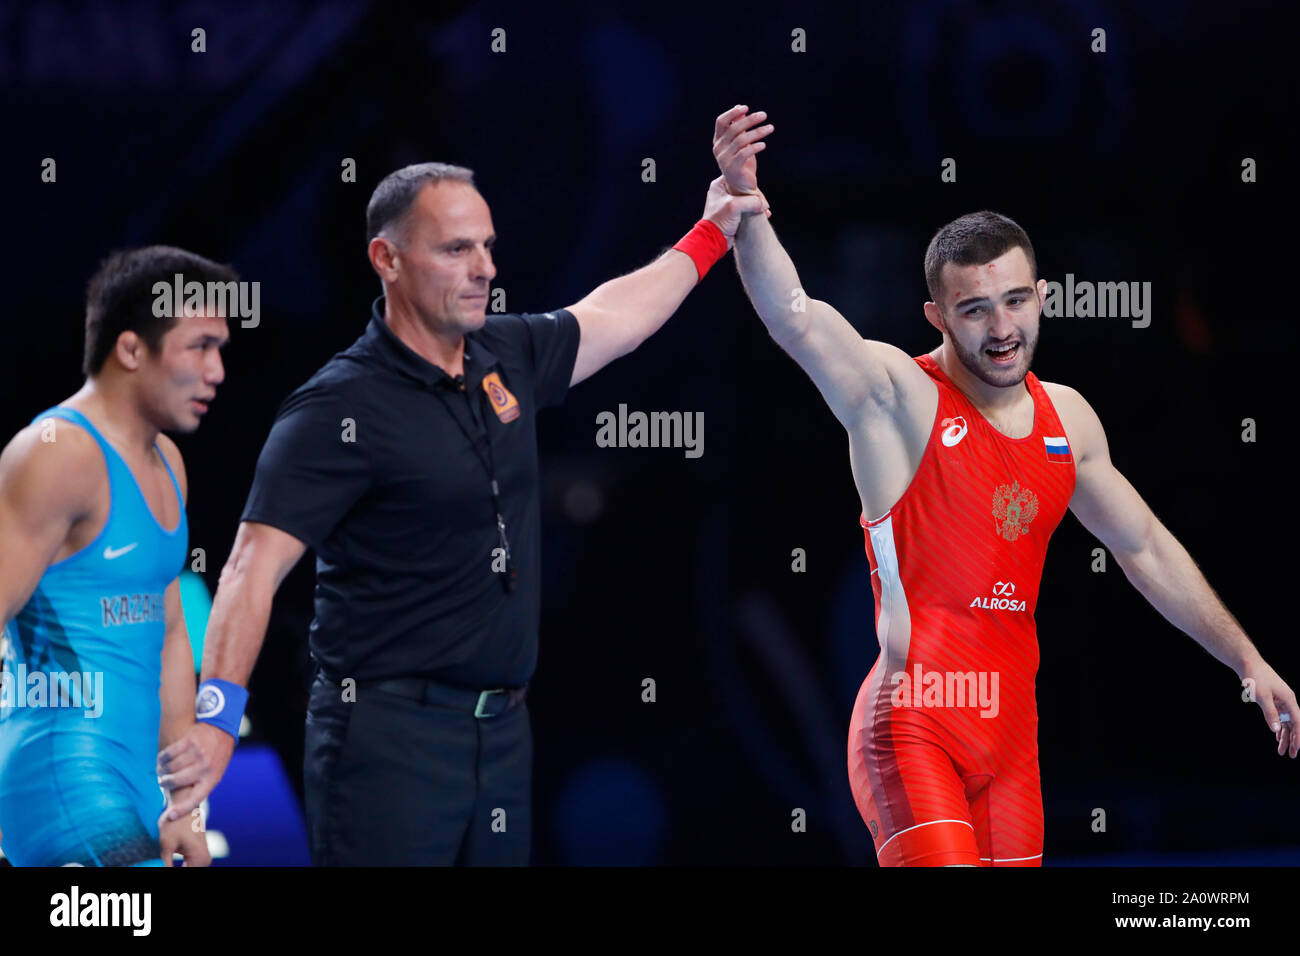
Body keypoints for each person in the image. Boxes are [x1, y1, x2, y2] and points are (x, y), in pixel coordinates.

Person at [712, 104, 1299, 867]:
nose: (1001, 328)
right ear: (937, 315)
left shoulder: (1071, 422)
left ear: (1043, 297)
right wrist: (748, 211)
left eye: (1016, 301)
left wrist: (1247, 659)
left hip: (1011, 744)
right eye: (975, 308)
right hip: (911, 727)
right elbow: (795, 319)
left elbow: (1145, 547)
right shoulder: (897, 396)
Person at [156, 160, 767, 864]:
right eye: (456, 249)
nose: (483, 268)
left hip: (503, 733)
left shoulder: (504, 354)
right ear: (386, 259)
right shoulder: (336, 410)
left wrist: (715, 228)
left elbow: (617, 315)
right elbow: (248, 570)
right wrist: (216, 721)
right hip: (386, 744)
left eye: (486, 246)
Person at [0, 245, 231, 866]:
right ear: (131, 350)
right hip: (60, 780)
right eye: (200, 346)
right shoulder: (55, 454)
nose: (217, 372)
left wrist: (184, 804)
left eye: (221, 350)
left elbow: (172, 633)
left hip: (129, 789)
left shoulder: (168, 466)